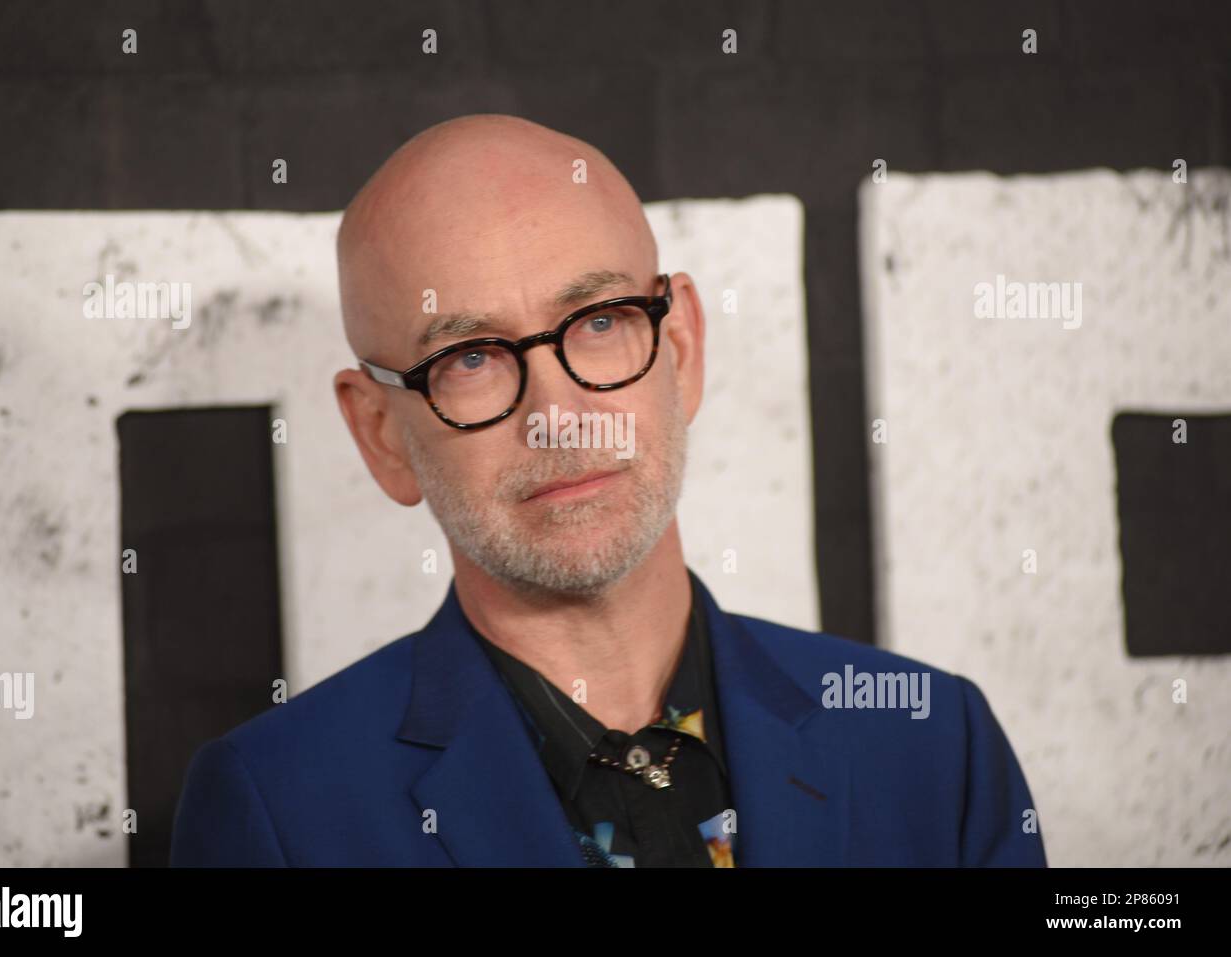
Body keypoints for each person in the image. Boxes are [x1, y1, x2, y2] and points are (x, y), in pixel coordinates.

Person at [170, 113, 1047, 867]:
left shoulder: (934, 744)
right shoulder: (281, 812)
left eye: (597, 324)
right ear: (382, 433)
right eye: (469, 357)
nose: (560, 416)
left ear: (682, 348)